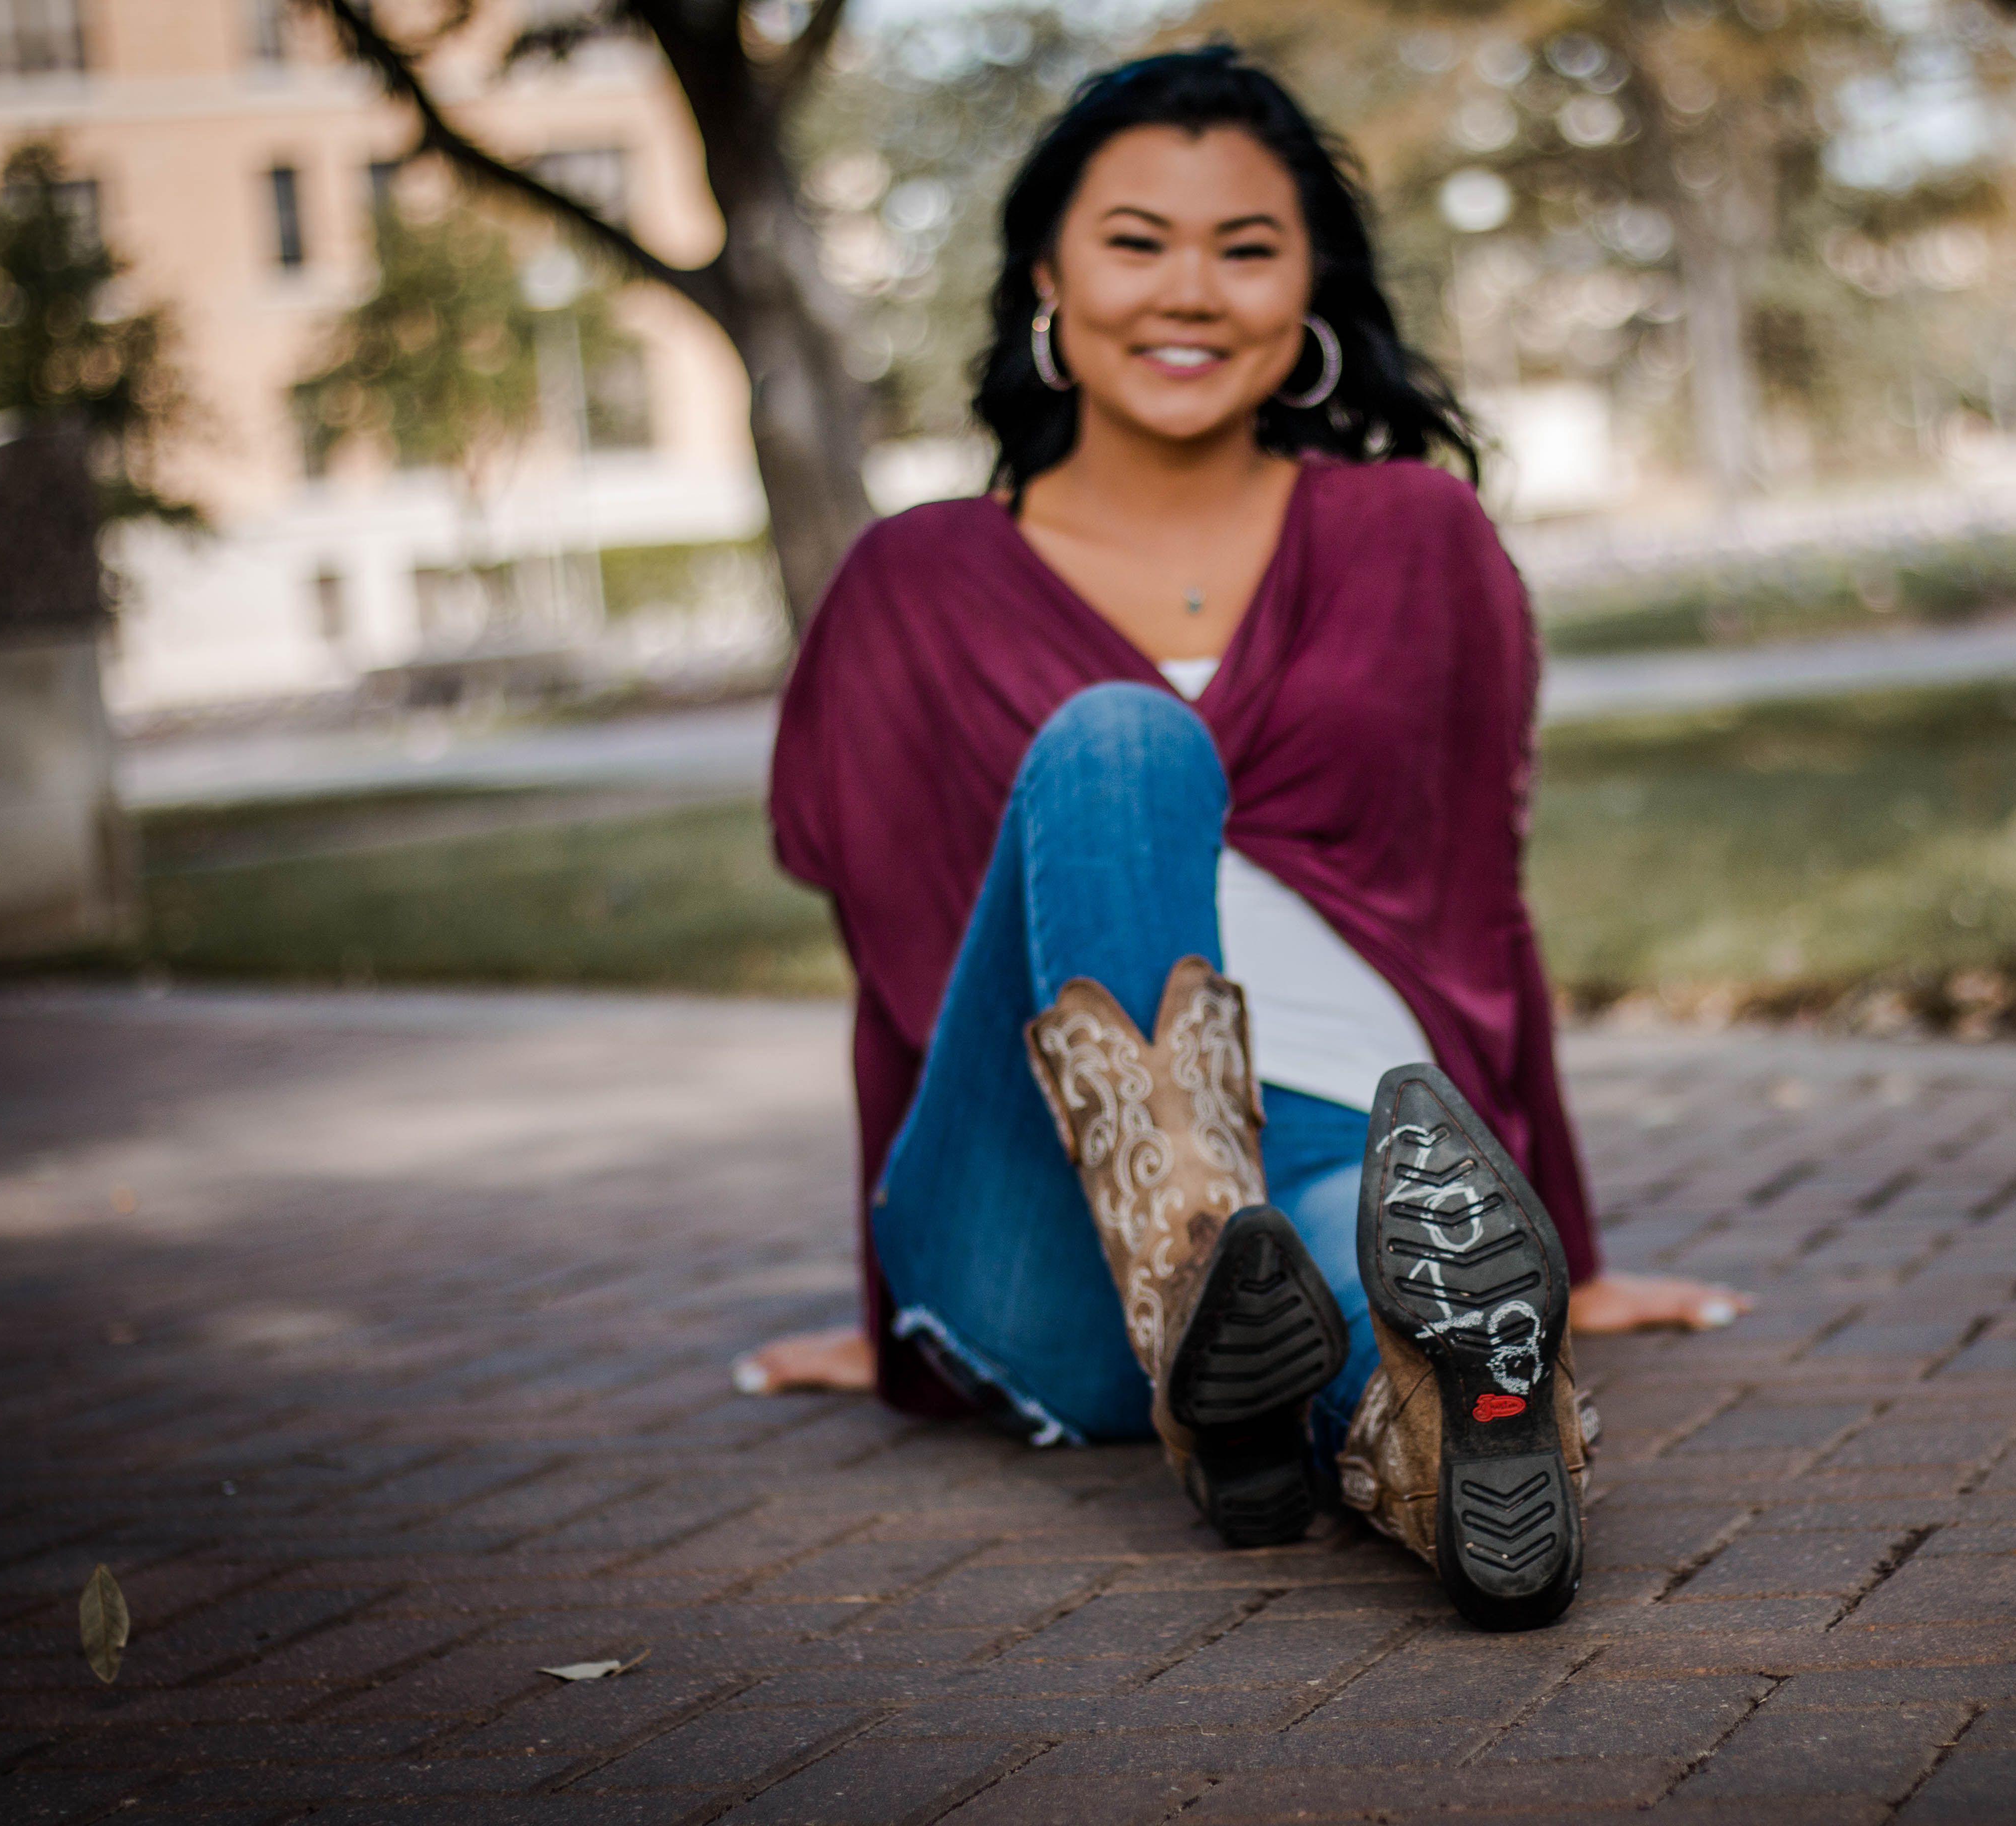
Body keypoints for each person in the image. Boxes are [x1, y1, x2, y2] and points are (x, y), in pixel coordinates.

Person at [747, 48, 1748, 1630]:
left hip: (1367, 1132)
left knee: (1382, 1297)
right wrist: (902, 1320)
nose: (1190, 291)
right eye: (1138, 241)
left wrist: (1576, 1230)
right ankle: (1204, 1278)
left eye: (1248, 245)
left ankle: (1459, 1443)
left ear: (1312, 290)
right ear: (1047, 283)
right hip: (1044, 1198)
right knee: (1121, 739)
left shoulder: (1415, 536)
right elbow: (897, 968)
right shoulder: (916, 579)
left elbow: (1481, 899)